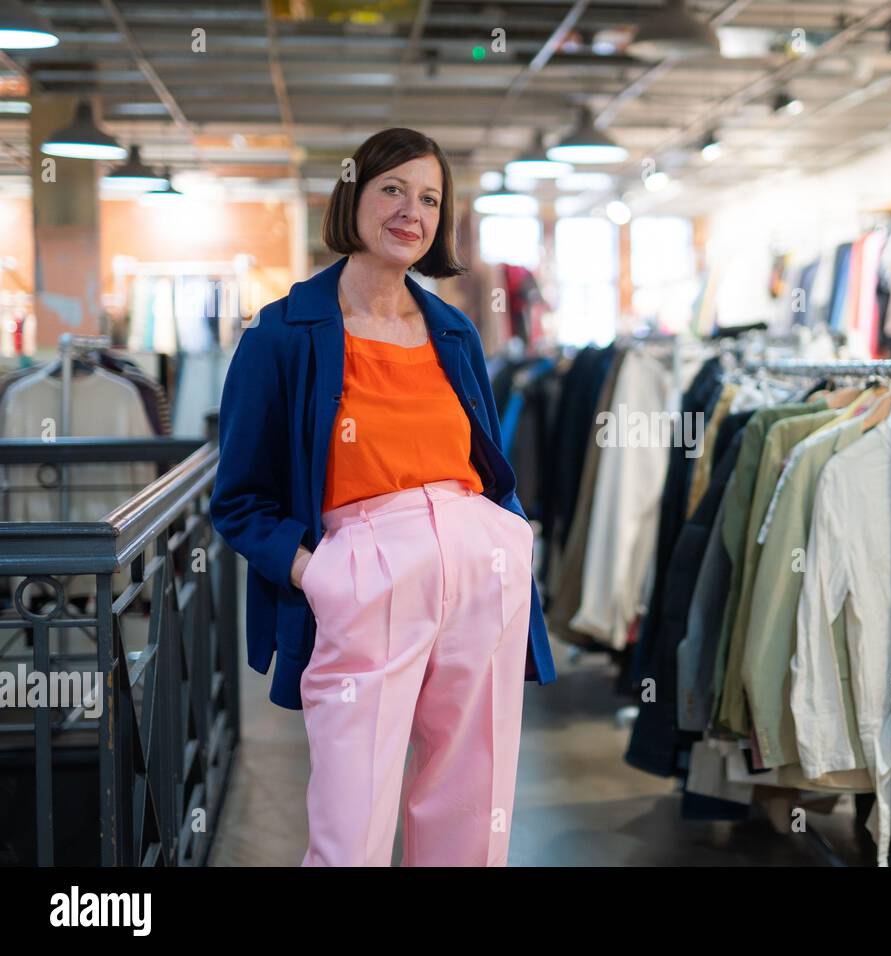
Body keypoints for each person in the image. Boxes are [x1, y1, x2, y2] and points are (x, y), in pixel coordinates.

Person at [210, 127, 556, 867]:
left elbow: (488, 463)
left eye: (429, 198)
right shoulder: (281, 333)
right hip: (366, 575)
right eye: (393, 189)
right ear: (353, 197)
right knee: (351, 820)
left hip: (479, 574)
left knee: (474, 806)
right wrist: (319, 574)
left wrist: (510, 538)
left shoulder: (453, 331)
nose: (412, 211)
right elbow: (238, 499)